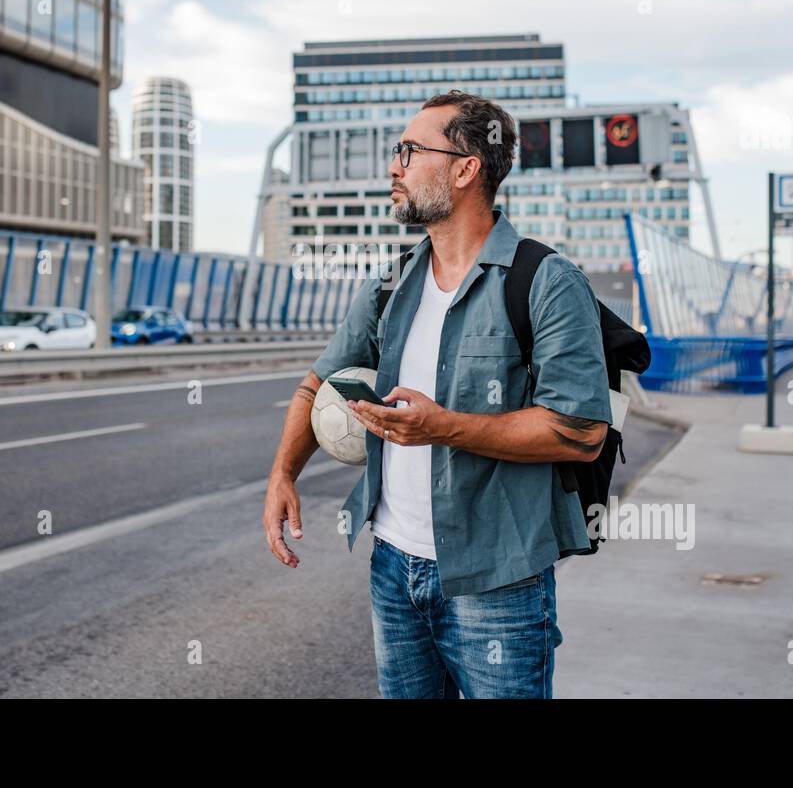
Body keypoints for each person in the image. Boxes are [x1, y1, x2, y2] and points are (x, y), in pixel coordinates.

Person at [261, 90, 611, 699]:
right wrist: (281, 475)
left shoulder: (548, 281)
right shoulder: (393, 281)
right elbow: (319, 381)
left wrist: (443, 426)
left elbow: (580, 432)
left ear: (466, 168)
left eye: (410, 151)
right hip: (393, 568)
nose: (394, 166)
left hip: (498, 580)